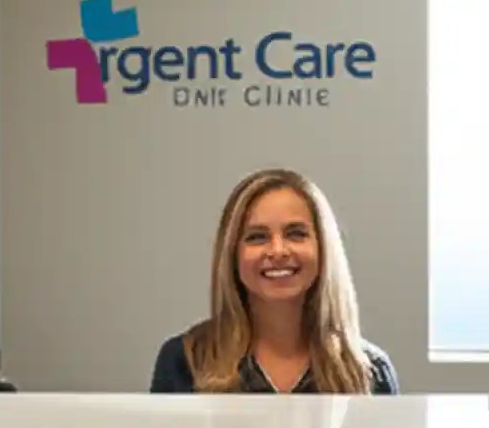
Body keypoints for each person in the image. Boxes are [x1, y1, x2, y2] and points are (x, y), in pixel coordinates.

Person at [150, 168, 398, 394]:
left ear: (323, 248)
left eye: (296, 234)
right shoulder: (185, 361)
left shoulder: (369, 370)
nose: (278, 251)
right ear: (232, 254)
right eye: (257, 237)